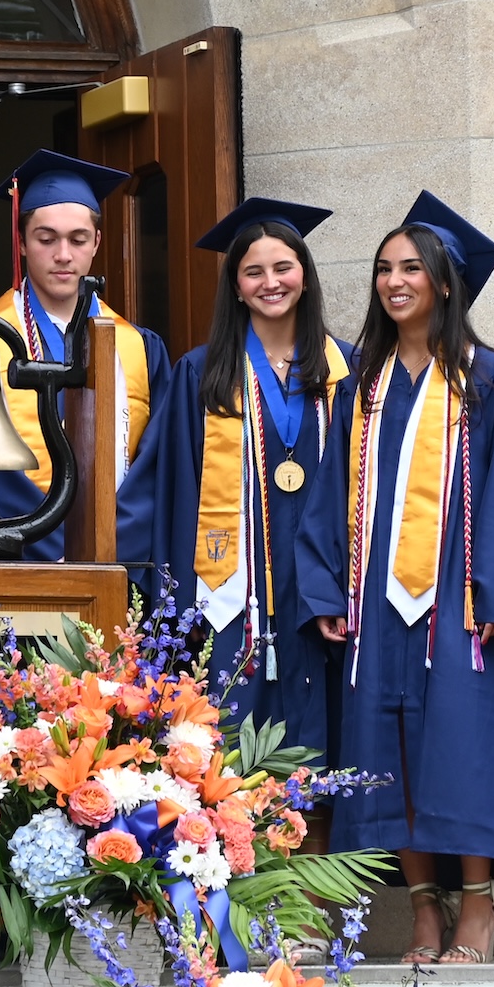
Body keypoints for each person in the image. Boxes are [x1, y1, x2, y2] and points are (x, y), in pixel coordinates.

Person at [295, 191, 494, 965]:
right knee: (383, 748)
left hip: (459, 596)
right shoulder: (360, 389)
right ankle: (421, 915)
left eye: (411, 266)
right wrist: (323, 593)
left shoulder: (489, 380)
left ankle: (477, 909)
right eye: (384, 268)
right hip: (373, 599)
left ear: (445, 282)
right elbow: (325, 497)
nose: (393, 280)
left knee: (460, 745)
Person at [140, 198, 352, 753]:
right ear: (236, 287)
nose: (270, 282)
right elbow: (168, 488)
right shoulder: (200, 373)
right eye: (253, 271)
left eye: (283, 267)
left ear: (304, 276)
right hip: (233, 587)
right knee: (231, 725)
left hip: (325, 581)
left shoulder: (348, 371)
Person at [0, 150, 168, 560]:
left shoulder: (139, 346)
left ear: (97, 243)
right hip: (14, 555)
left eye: (78, 239)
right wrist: (50, 544)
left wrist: (106, 543)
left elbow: (154, 464)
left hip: (117, 558)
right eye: (46, 239)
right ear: (22, 243)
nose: (63, 254)